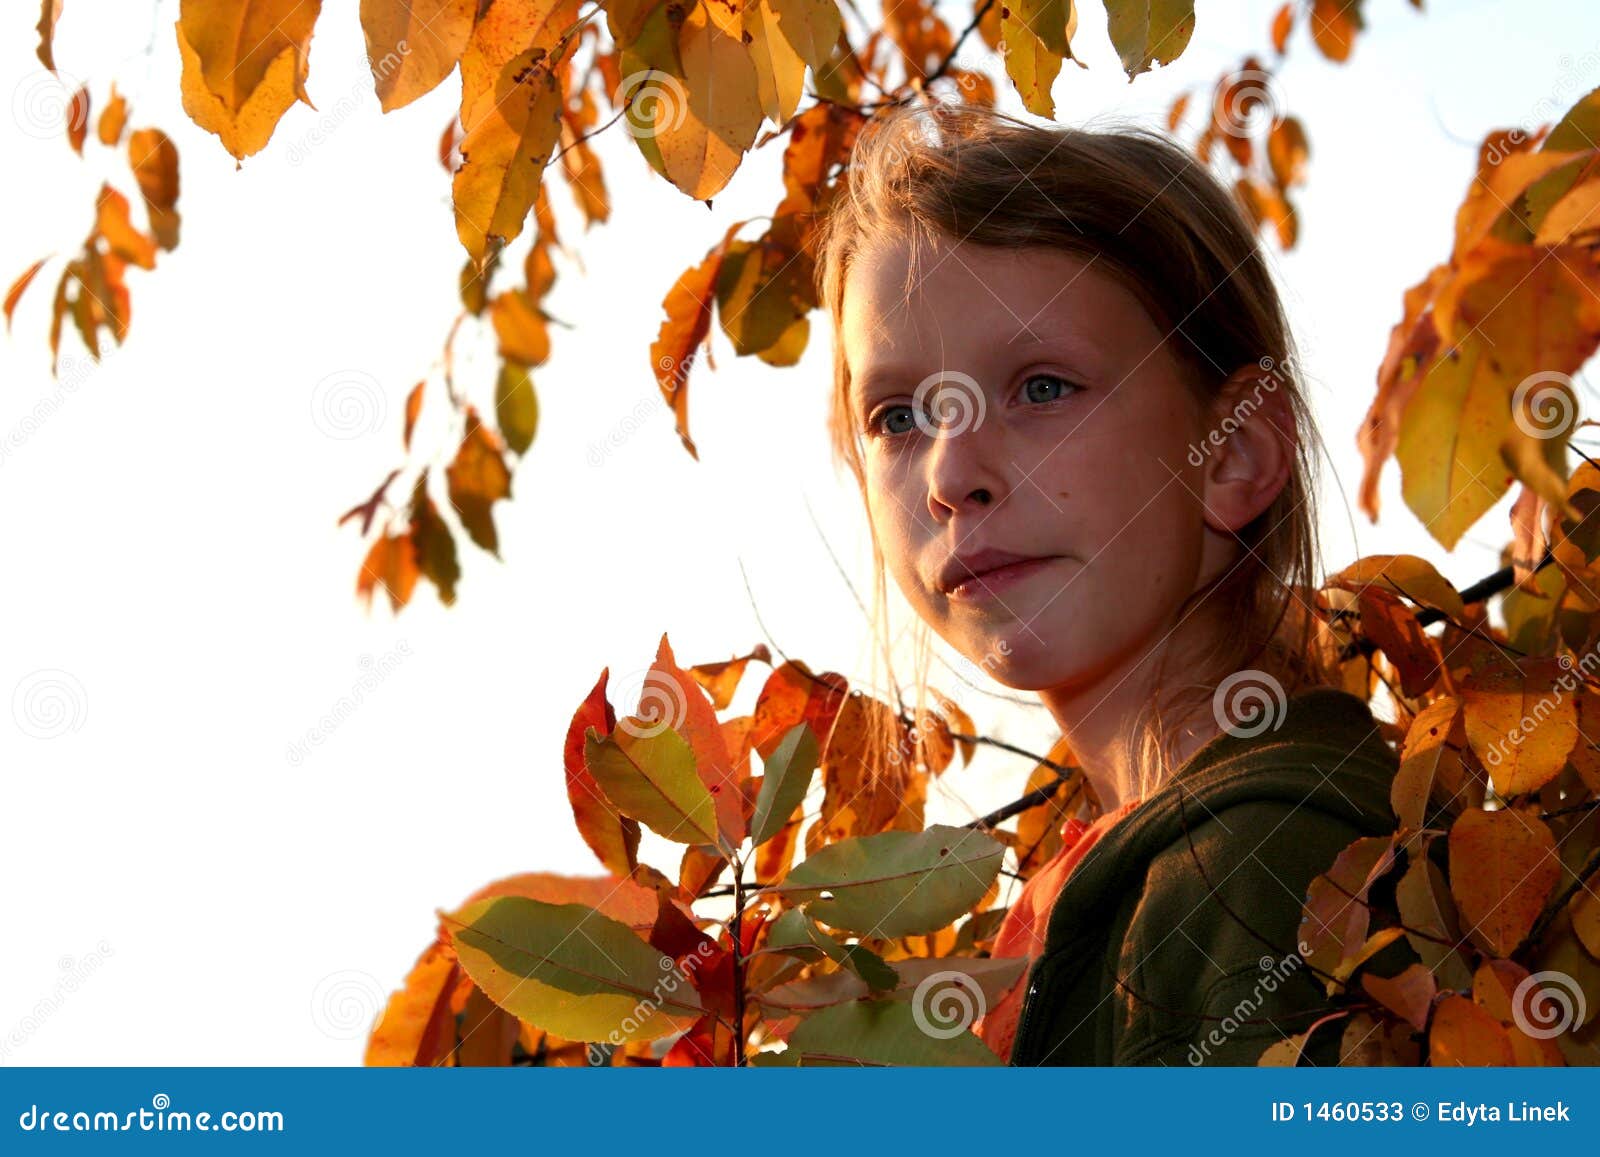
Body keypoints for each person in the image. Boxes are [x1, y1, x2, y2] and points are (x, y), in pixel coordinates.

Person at [810, 99, 1410, 1065]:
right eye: (897, 416)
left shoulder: (1258, 874)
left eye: (1043, 387)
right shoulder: (1110, 884)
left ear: (1235, 455)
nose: (951, 473)